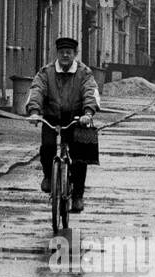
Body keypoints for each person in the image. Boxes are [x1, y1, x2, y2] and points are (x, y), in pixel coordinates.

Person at [25, 36, 100, 212]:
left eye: (69, 52)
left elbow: (90, 91)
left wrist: (88, 113)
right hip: (52, 117)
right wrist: (34, 112)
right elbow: (37, 89)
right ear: (57, 53)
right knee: (48, 146)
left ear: (75, 54)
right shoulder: (46, 72)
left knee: (80, 157)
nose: (65, 55)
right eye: (62, 52)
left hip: (77, 118)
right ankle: (48, 177)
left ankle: (78, 196)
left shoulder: (84, 72)